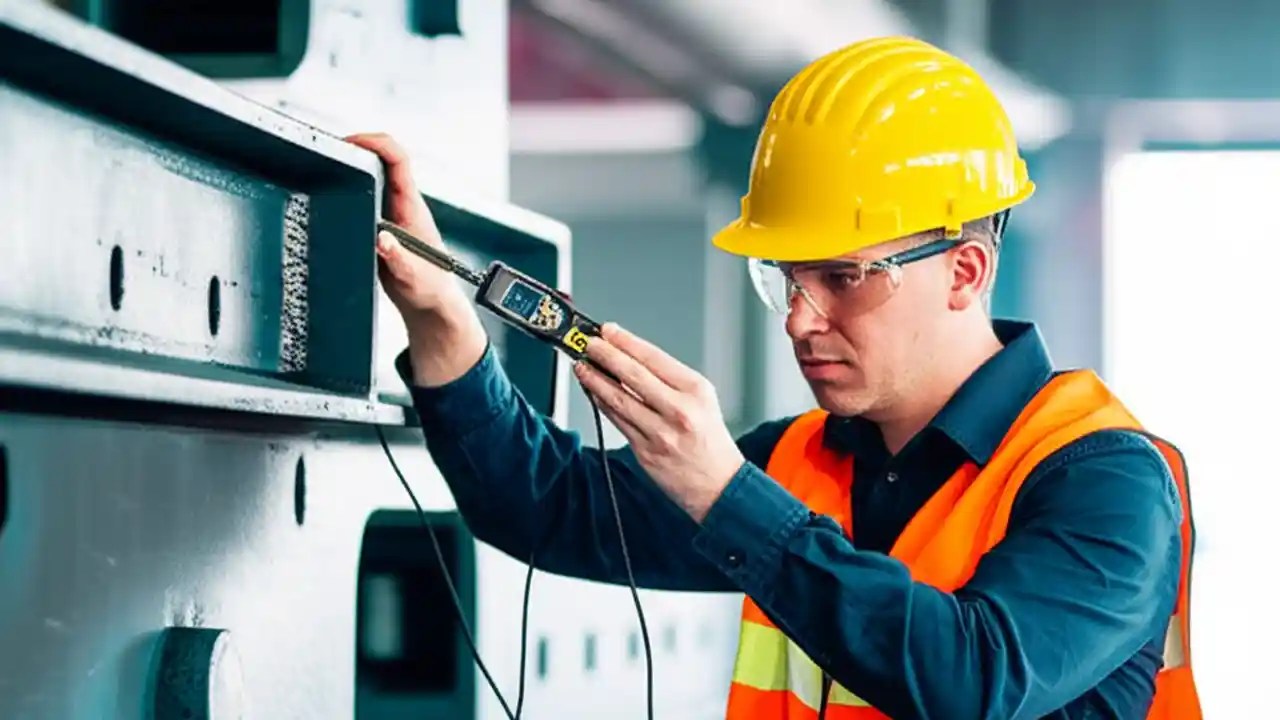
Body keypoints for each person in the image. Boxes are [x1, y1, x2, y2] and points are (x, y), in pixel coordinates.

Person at [347, 36, 1201, 720]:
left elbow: (972, 682)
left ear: (966, 272)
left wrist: (727, 494)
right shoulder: (803, 462)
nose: (799, 318)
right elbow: (544, 508)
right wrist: (439, 319)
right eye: (785, 280)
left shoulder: (1106, 480)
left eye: (841, 278)